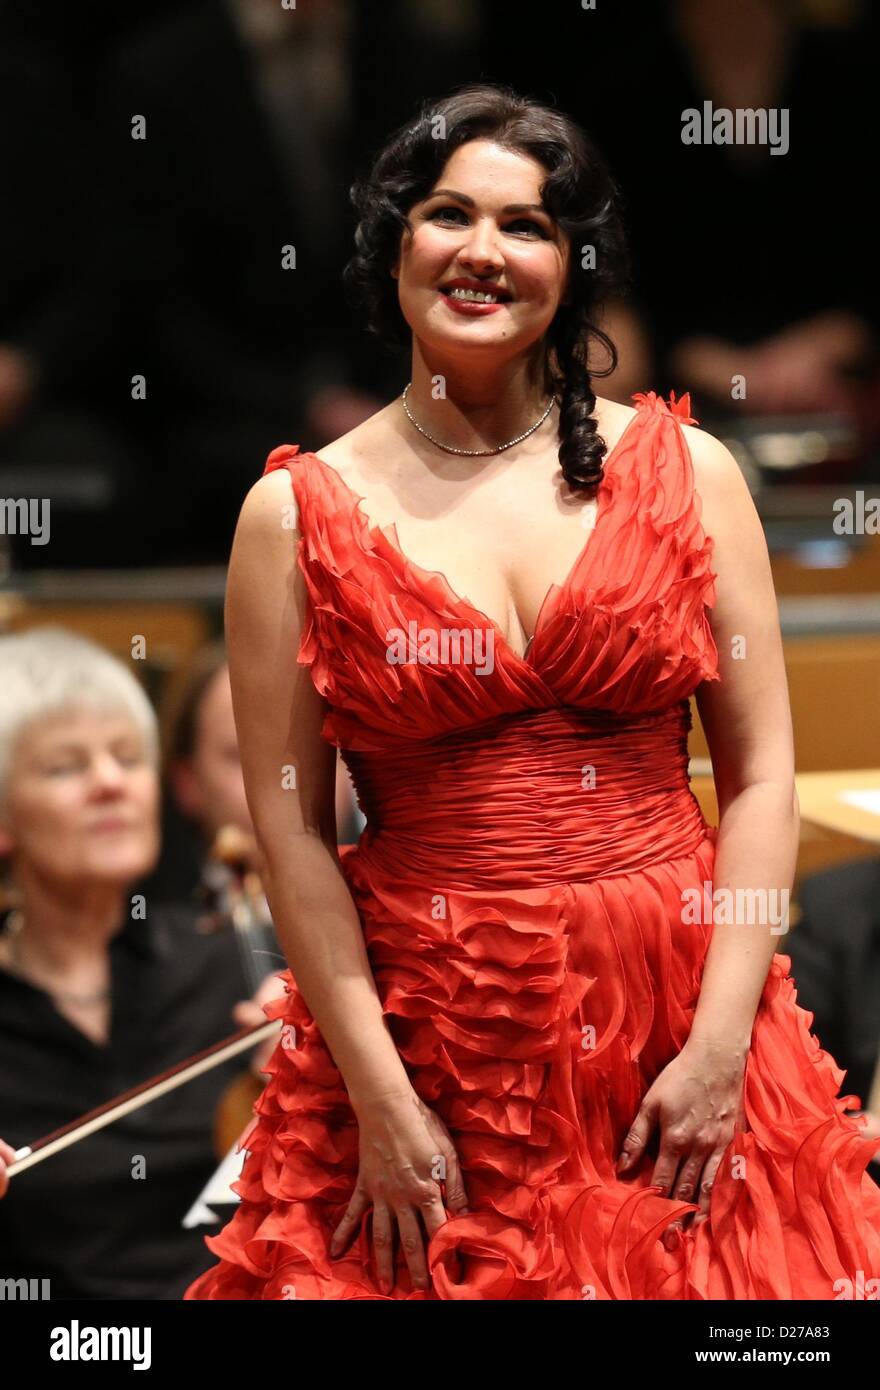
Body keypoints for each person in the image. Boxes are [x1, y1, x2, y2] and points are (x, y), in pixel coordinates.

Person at [185, 84, 880, 1301]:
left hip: (685, 1008)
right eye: (450, 214)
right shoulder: (291, 514)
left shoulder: (689, 470)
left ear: (573, 264)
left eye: (527, 225)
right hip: (431, 1040)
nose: (482, 252)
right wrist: (378, 1095)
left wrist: (722, 1047)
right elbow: (292, 828)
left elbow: (764, 774)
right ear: (395, 240)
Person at [0, 627, 275, 1298]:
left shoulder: (234, 968)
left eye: (127, 757)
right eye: (65, 767)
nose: (109, 783)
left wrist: (306, 1092)